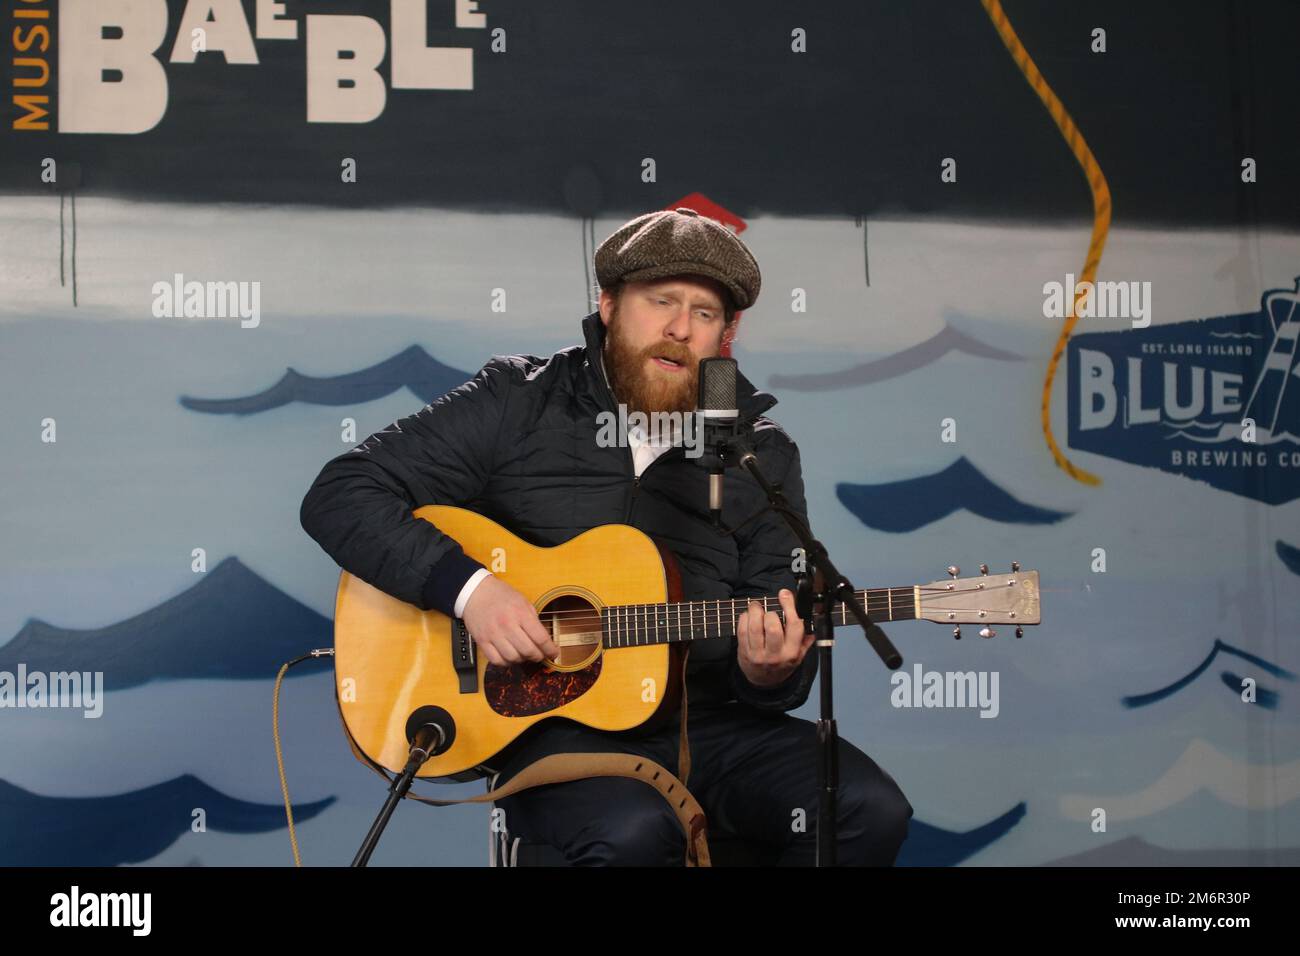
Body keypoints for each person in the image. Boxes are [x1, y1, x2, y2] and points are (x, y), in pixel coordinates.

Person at [300, 208, 913, 865]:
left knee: (868, 809)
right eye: (661, 302)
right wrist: (472, 593)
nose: (680, 329)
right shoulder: (518, 400)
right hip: (558, 730)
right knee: (631, 831)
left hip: (713, 725)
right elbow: (342, 494)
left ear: (726, 335)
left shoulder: (758, 453)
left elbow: (777, 613)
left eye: (705, 314)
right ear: (610, 303)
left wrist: (768, 675)